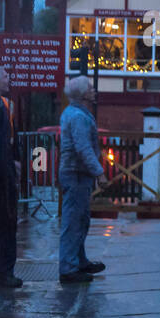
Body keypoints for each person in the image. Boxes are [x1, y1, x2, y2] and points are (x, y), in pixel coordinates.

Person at [58, 76, 106, 284]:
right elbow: (83, 148)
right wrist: (99, 172)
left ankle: (78, 260)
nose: (94, 90)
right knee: (74, 220)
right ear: (83, 94)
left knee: (81, 219)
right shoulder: (78, 116)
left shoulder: (77, 113)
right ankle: (69, 267)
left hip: (76, 173)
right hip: (75, 174)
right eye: (91, 88)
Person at [0, 66, 21, 288]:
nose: (8, 79)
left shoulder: (5, 106)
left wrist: (14, 164)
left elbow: (11, 138)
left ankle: (4, 273)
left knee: (7, 223)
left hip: (4, 174)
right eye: (5, 76)